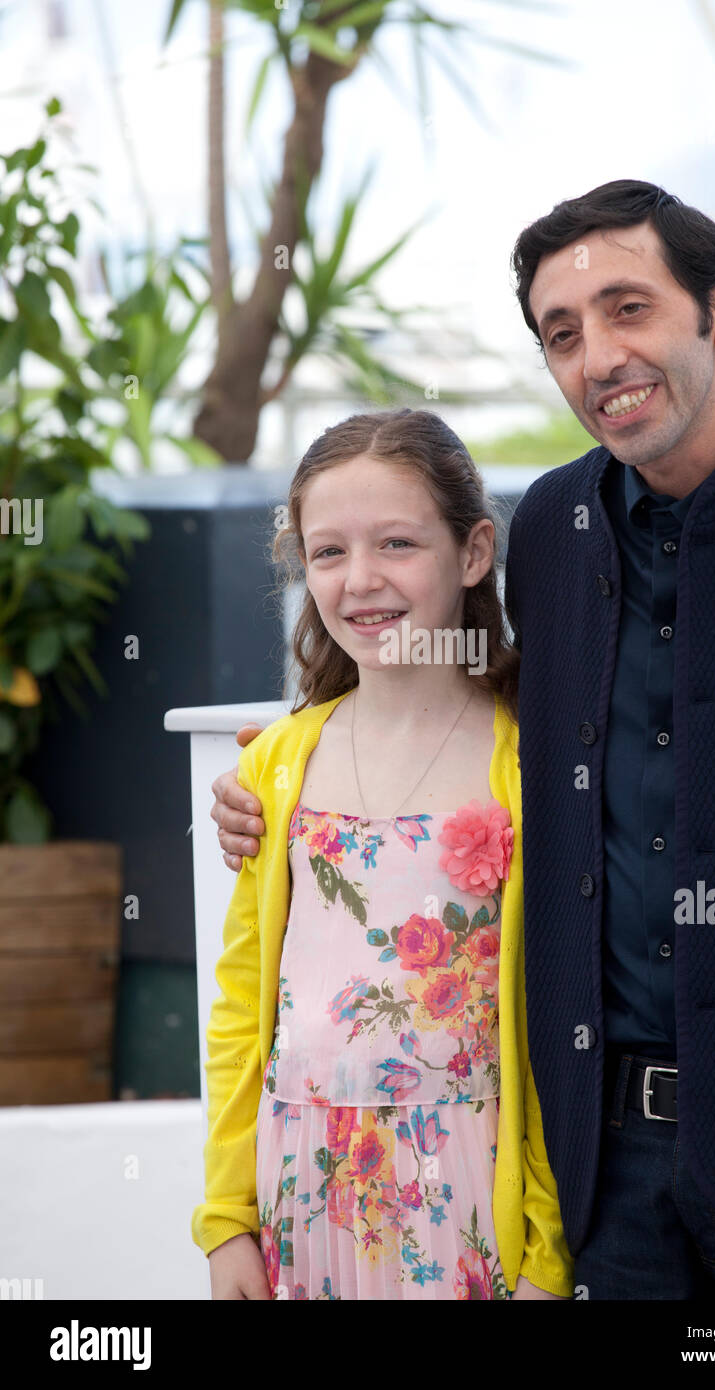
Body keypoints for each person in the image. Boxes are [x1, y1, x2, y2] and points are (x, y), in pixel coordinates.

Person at [215, 179, 715, 1300]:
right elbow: (470, 687)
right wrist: (291, 765)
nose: (595, 355)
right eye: (561, 334)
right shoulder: (555, 530)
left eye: (626, 309)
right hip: (599, 1168)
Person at [192, 407, 573, 1300]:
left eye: (397, 543)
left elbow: (561, 1025)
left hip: (468, 1193)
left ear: (475, 552)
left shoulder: (533, 760)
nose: (361, 580)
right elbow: (245, 1010)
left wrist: (548, 1254)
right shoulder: (277, 764)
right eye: (328, 552)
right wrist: (224, 1223)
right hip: (303, 1192)